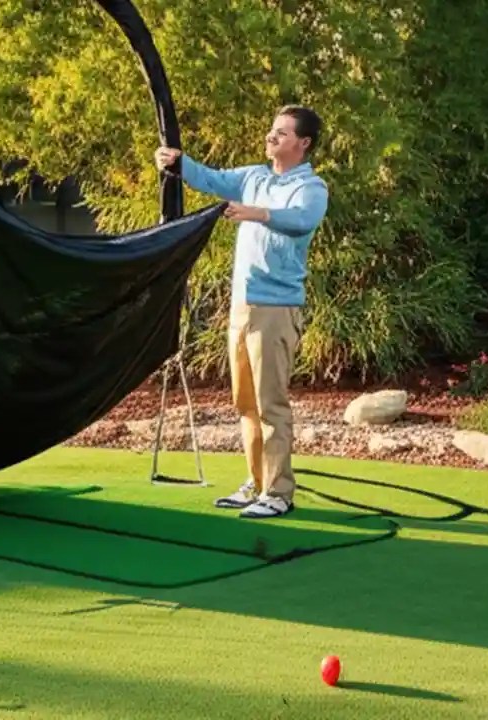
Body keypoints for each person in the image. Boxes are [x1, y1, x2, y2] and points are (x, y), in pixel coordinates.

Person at [154, 105, 329, 519]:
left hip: (276, 308)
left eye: (282, 133)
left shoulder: (311, 187)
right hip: (241, 305)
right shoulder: (253, 177)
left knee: (271, 404)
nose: (271, 138)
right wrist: (178, 163)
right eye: (272, 131)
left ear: (302, 144)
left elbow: (301, 220)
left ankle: (279, 492)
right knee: (245, 404)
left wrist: (256, 213)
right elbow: (211, 178)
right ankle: (256, 483)